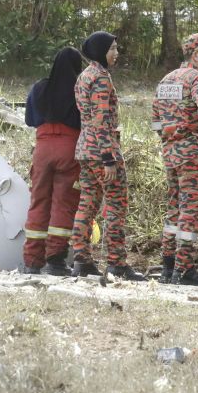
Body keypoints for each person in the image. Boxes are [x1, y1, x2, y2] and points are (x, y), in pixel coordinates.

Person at [152, 33, 198, 286]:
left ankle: (167, 267)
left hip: (171, 154)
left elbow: (155, 120)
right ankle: (184, 270)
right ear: (196, 55)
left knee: (174, 208)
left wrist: (169, 139)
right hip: (193, 155)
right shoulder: (197, 79)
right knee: (191, 210)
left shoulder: (166, 80)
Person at [69, 32, 143, 281]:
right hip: (102, 152)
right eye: (112, 48)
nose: (116, 52)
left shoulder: (84, 76)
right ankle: (116, 263)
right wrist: (109, 158)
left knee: (87, 204)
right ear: (101, 50)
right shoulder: (100, 78)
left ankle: (81, 260)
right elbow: (101, 120)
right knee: (115, 206)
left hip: (84, 151)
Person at [23, 46, 83, 276]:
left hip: (42, 148)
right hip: (70, 148)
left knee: (38, 202)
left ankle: (31, 260)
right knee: (63, 203)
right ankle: (56, 260)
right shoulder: (79, 89)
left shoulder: (40, 87)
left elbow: (30, 119)